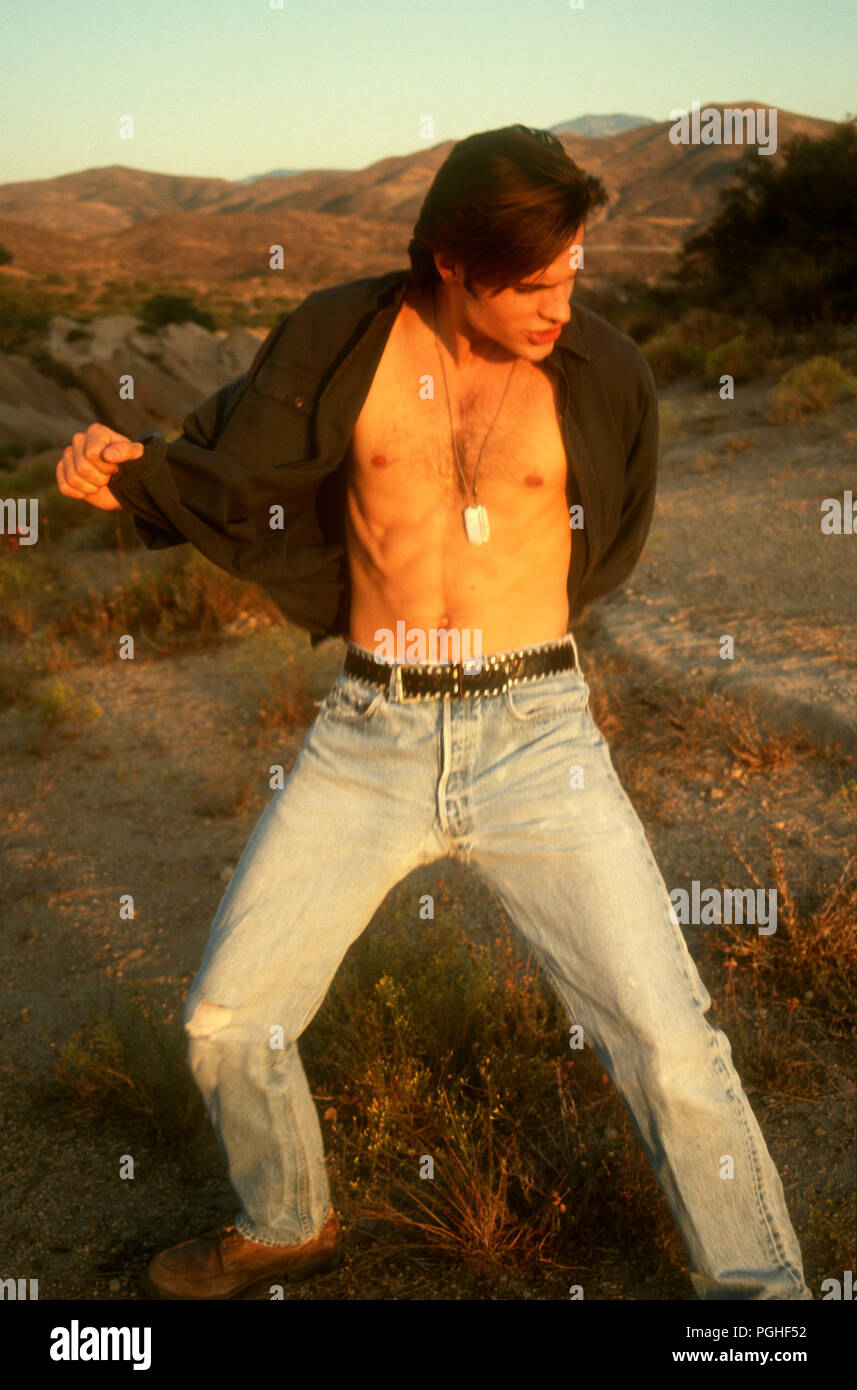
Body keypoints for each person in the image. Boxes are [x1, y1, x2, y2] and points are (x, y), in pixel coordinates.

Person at [56, 125, 812, 1302]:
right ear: (452, 260)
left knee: (670, 1048)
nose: (563, 301)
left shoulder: (598, 370)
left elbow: (608, 538)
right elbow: (237, 459)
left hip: (538, 735)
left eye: (574, 272)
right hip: (369, 736)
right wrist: (131, 470)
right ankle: (287, 1216)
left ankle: (762, 1301)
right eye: (535, 282)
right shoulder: (339, 340)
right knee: (224, 1019)